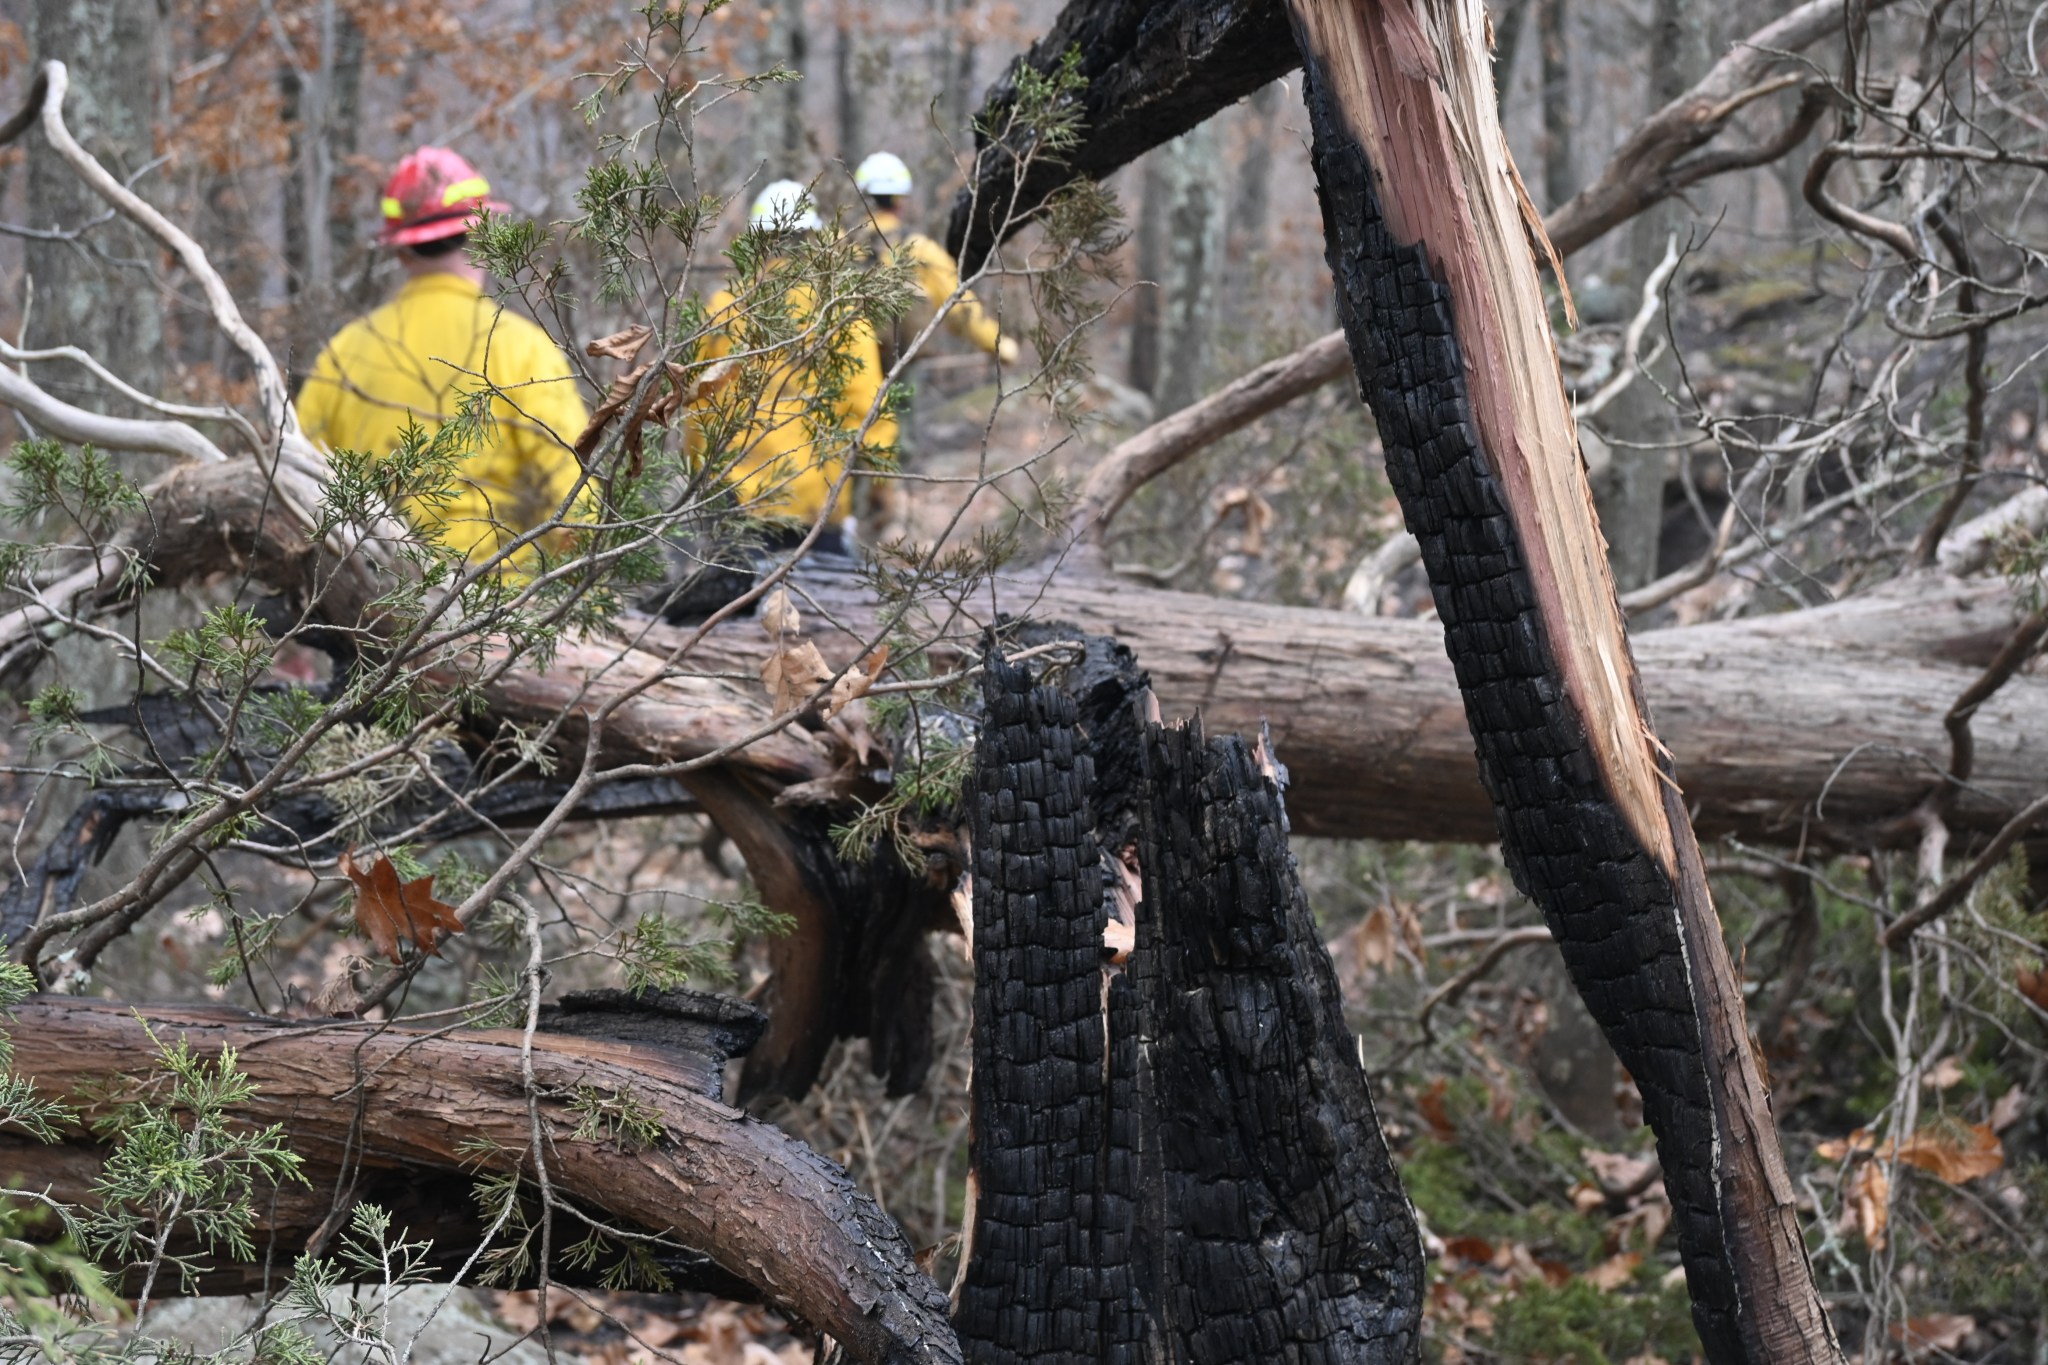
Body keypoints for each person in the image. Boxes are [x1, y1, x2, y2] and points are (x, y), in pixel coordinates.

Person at [297, 146, 589, 568]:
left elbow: (301, 488)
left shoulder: (344, 353)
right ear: (482, 236)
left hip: (365, 611)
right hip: (496, 610)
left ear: (399, 250)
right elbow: (574, 504)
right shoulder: (522, 349)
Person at [688, 178, 897, 554]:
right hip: (817, 505)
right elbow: (867, 410)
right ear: (812, 239)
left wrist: (700, 480)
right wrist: (881, 488)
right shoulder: (839, 313)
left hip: (738, 504)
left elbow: (696, 406)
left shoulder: (724, 308)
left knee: (735, 610)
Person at [851, 151, 1019, 375]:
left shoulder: (842, 248)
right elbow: (960, 309)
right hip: (901, 373)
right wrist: (999, 344)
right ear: (900, 200)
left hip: (849, 371)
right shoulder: (918, 249)